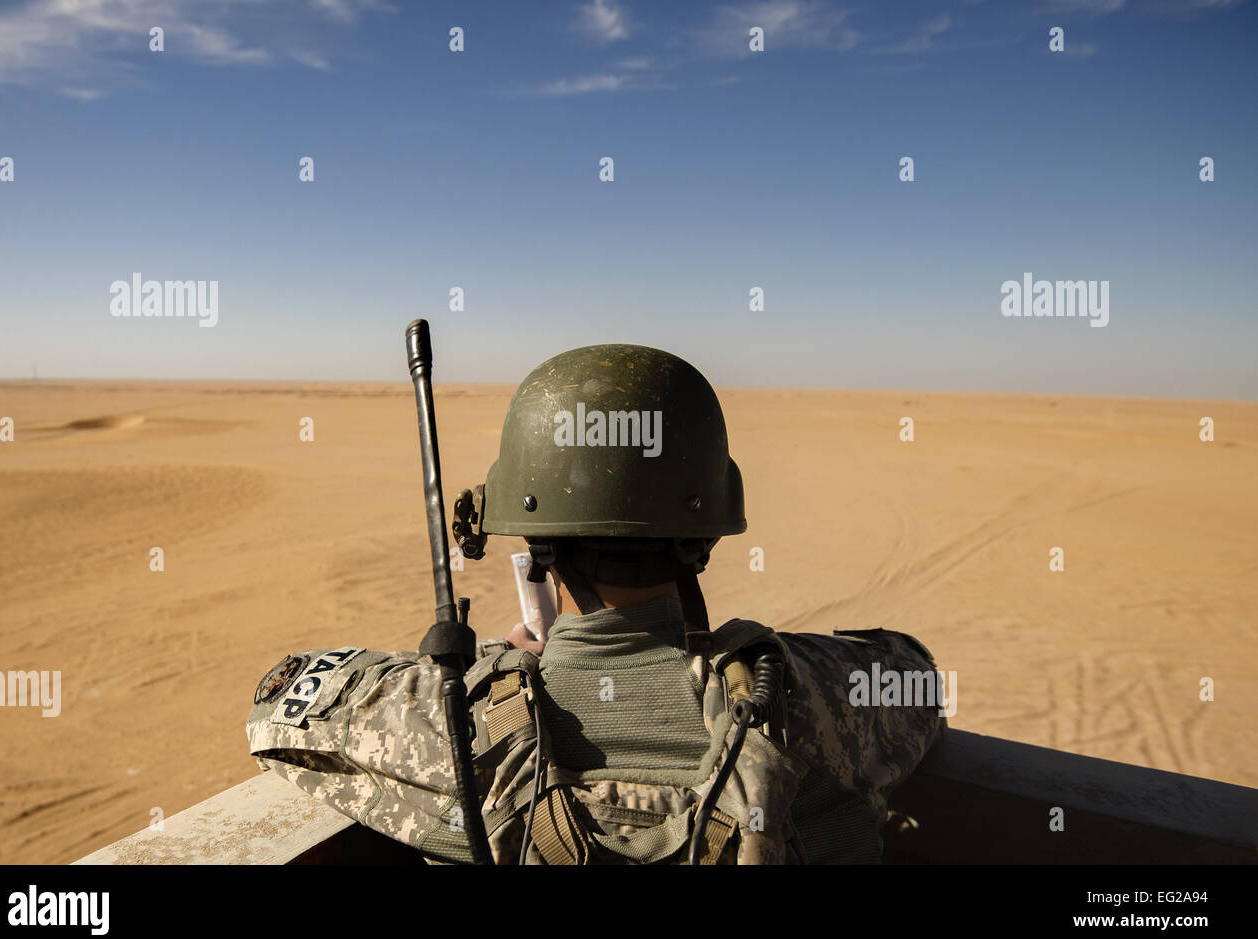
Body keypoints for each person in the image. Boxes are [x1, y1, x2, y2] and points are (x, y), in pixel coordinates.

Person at [247, 343, 944, 864]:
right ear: (704, 535)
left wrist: (500, 666)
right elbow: (917, 674)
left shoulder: (456, 729)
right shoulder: (805, 697)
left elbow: (276, 703)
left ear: (536, 540)